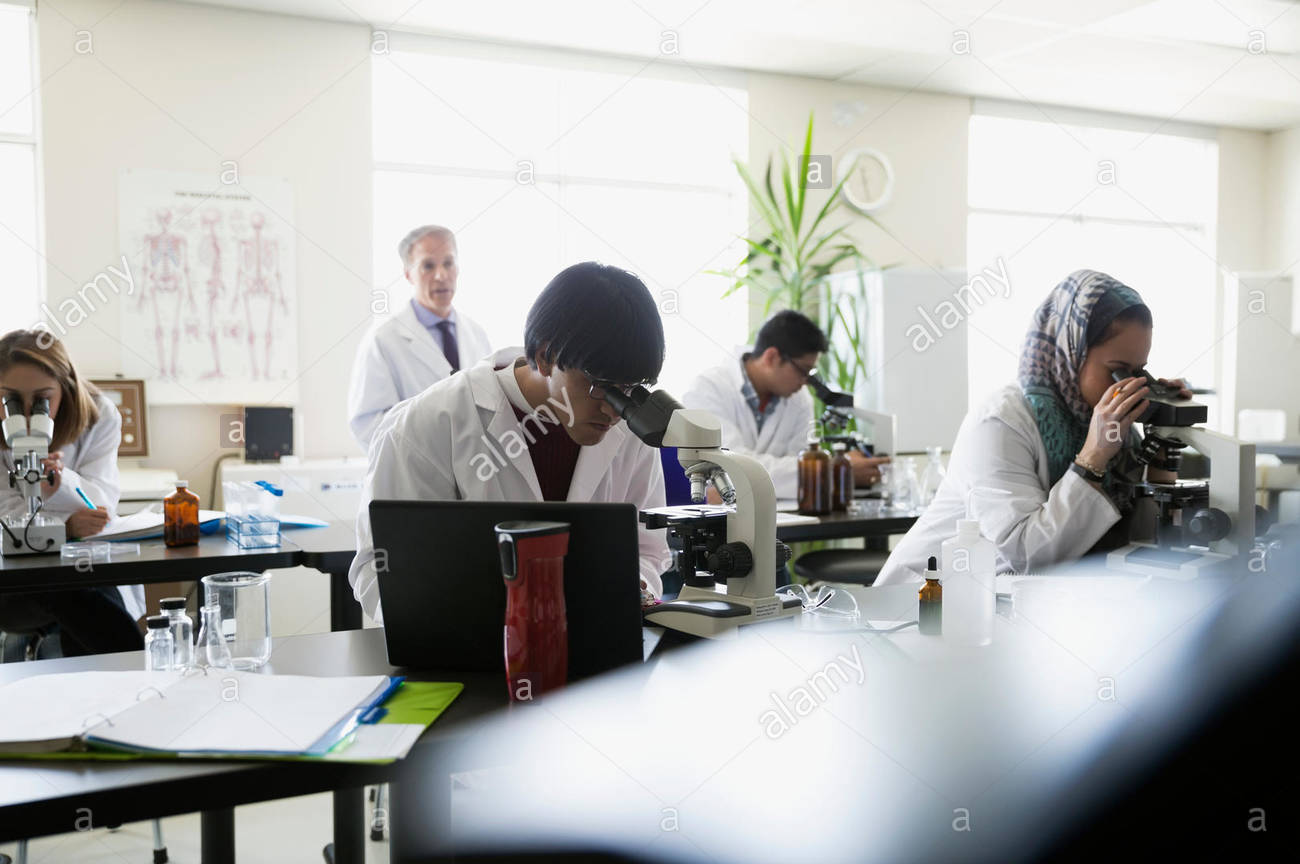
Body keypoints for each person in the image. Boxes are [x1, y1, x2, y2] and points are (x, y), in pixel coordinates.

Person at [349, 262, 672, 621]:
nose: (614, 409)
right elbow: (380, 569)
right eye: (601, 385)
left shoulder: (628, 426)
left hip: (595, 651)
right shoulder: (425, 426)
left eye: (629, 389)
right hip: (463, 659)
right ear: (546, 357)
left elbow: (647, 549)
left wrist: (631, 587)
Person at [876, 269, 1191, 585]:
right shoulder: (1001, 422)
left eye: (1139, 372)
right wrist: (1093, 457)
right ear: (1071, 353)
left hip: (1019, 604)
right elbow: (1028, 556)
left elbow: (1138, 541)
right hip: (929, 600)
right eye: (1119, 370)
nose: (1129, 386)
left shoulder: (1114, 429)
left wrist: (1164, 441)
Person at [0, 331, 144, 656]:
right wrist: (67, 528)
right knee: (68, 587)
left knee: (77, 584)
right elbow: (6, 520)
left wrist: (62, 485)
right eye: (10, 400)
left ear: (65, 389)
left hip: (83, 574)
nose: (25, 413)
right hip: (15, 587)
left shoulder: (100, 415)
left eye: (41, 400)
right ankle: (136, 671)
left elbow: (101, 509)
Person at [683, 310, 889, 498]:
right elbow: (731, 468)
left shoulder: (799, 400)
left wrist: (817, 472)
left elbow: (801, 465)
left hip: (775, 513)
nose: (805, 381)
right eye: (803, 370)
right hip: (711, 518)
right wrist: (831, 471)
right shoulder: (708, 389)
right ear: (772, 357)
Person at [347, 225, 492, 450]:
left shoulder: (477, 334)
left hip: (473, 472)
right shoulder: (383, 340)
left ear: (458, 267)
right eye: (428, 266)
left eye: (448, 263)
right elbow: (367, 425)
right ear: (408, 274)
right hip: (414, 478)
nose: (441, 275)